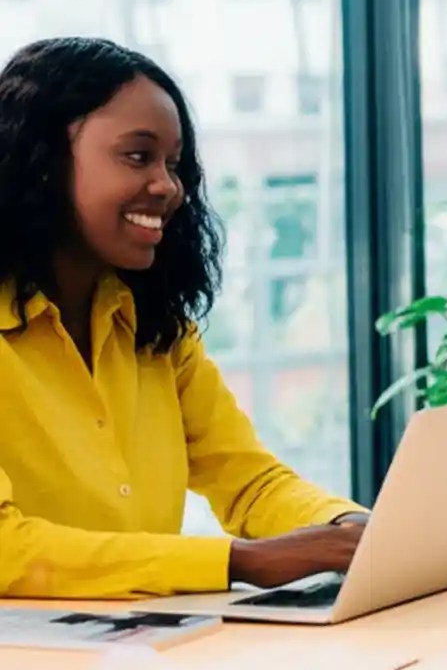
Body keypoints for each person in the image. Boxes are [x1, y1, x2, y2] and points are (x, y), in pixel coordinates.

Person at [0, 37, 368, 599]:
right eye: (137, 156)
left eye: (174, 164)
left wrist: (349, 529)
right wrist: (241, 562)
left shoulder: (156, 328)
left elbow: (249, 483)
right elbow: (9, 550)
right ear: (41, 159)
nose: (169, 187)